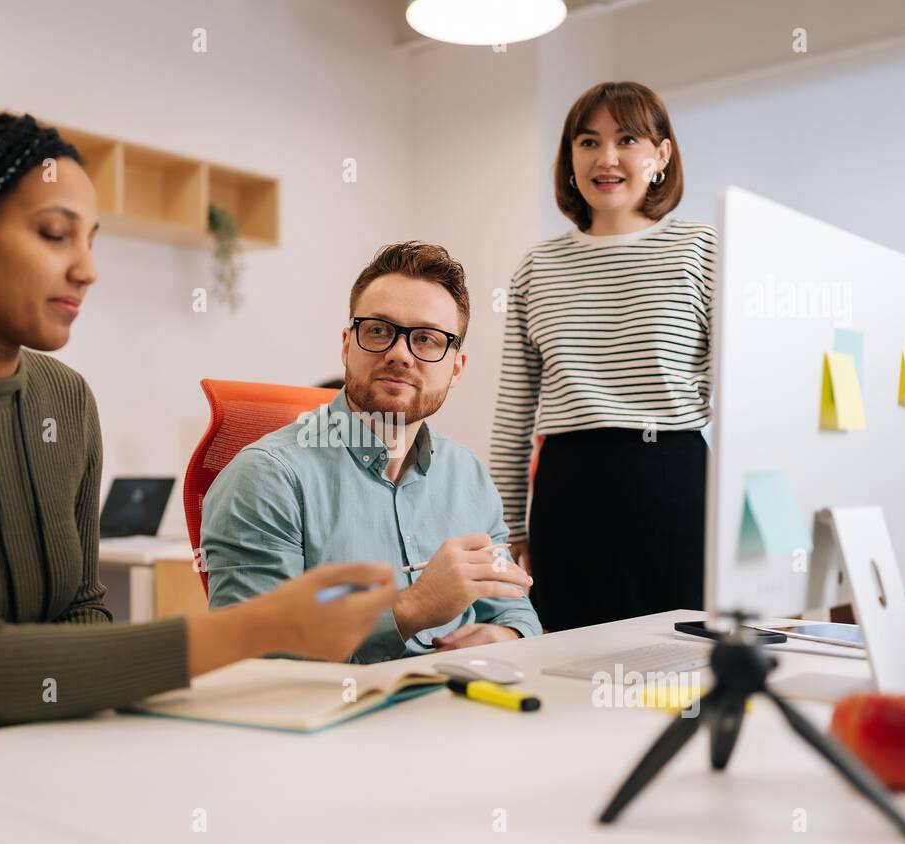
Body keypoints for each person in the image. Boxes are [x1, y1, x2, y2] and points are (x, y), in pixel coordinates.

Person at [0, 112, 395, 764]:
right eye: (55, 234)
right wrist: (261, 625)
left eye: (92, 240)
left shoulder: (65, 399)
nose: (87, 270)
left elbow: (82, 607)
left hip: (19, 741)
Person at [201, 241, 540, 664]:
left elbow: (513, 607)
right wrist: (411, 609)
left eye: (427, 339)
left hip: (458, 713)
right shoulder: (266, 477)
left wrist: (506, 634)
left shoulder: (469, 477)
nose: (400, 354)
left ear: (455, 369)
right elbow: (253, 655)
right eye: (379, 330)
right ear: (347, 346)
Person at [490, 81, 717, 633]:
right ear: (570, 158)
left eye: (628, 139)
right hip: (570, 488)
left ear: (661, 155)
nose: (606, 158)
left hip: (675, 479)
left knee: (683, 658)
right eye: (588, 142)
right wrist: (506, 530)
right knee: (570, 659)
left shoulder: (702, 249)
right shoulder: (536, 267)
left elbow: (755, 387)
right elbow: (513, 412)